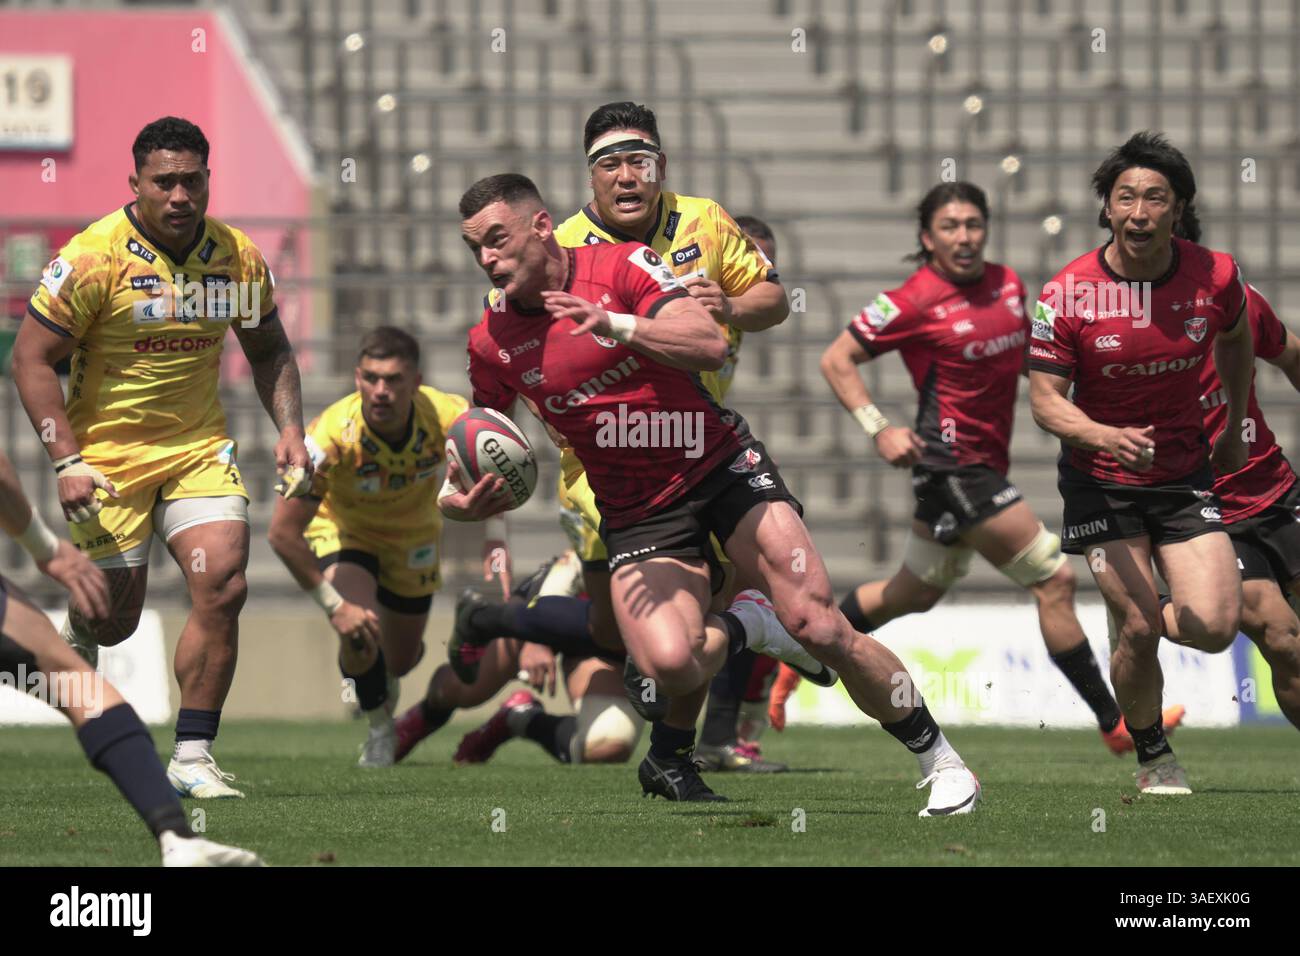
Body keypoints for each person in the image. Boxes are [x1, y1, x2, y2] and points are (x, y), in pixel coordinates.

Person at [447, 172, 980, 815]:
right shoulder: (491, 340)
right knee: (670, 665)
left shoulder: (621, 264)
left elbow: (705, 342)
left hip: (721, 466)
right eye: (475, 247)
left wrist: (615, 323)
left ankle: (943, 763)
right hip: (637, 510)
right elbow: (486, 441)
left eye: (496, 240)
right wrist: (458, 501)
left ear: (539, 226)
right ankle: (747, 622)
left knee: (819, 624)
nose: (487, 259)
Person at [400, 103, 793, 776]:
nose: (627, 175)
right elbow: (500, 373)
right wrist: (465, 501)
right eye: (609, 163)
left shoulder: (706, 220)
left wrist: (726, 305)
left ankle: (705, 738)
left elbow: (776, 300)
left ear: (660, 165)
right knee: (623, 630)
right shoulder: (557, 247)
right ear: (589, 178)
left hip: (700, 444)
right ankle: (504, 627)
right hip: (599, 468)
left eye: (639, 159)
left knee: (728, 600)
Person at [821, 181, 1182, 754]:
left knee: (910, 594)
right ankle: (1115, 724)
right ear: (927, 237)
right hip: (953, 467)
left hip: (983, 465)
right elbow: (836, 357)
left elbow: (1023, 365)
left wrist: (1079, 401)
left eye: (973, 224)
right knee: (1054, 578)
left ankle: (802, 651)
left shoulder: (1009, 285)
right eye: (950, 227)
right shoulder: (912, 299)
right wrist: (879, 427)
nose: (964, 237)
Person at [11, 116, 312, 799]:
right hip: (106, 460)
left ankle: (194, 755)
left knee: (224, 583)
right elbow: (31, 358)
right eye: (164, 182)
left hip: (197, 450)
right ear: (136, 184)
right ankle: (86, 625)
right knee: (117, 620)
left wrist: (290, 429)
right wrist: (66, 461)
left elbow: (269, 351)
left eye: (192, 180)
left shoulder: (234, 258)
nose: (179, 195)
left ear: (209, 180)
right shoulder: (93, 259)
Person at [1028, 132, 1254, 794]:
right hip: (1102, 483)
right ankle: (1154, 755)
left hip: (1183, 476)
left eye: (1155, 197)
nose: (1139, 211)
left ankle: (1144, 610)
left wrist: (1235, 422)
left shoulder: (1215, 275)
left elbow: (1238, 337)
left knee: (1215, 627)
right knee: (1139, 628)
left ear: (1177, 209)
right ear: (1106, 208)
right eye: (1125, 196)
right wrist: (1102, 435)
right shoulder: (1066, 293)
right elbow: (1045, 404)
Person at [0, 449, 261, 866]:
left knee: (74, 673)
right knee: (76, 679)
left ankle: (185, 802)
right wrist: (46, 549)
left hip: (192, 446)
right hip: (113, 450)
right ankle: (179, 839)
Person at [267, 327, 506, 766]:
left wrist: (489, 534)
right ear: (357, 377)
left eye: (394, 379)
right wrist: (334, 607)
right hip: (345, 531)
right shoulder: (330, 437)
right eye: (371, 378)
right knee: (361, 631)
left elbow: (500, 481)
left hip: (414, 538)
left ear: (416, 381)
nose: (381, 391)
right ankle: (381, 729)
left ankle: (381, 677)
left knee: (399, 658)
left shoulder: (451, 417)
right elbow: (281, 534)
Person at [1146, 210, 1300, 727]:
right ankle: (1149, 611)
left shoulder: (1240, 303)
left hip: (1277, 491)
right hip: (1208, 517)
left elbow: (1292, 355)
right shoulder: (1127, 333)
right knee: (1285, 638)